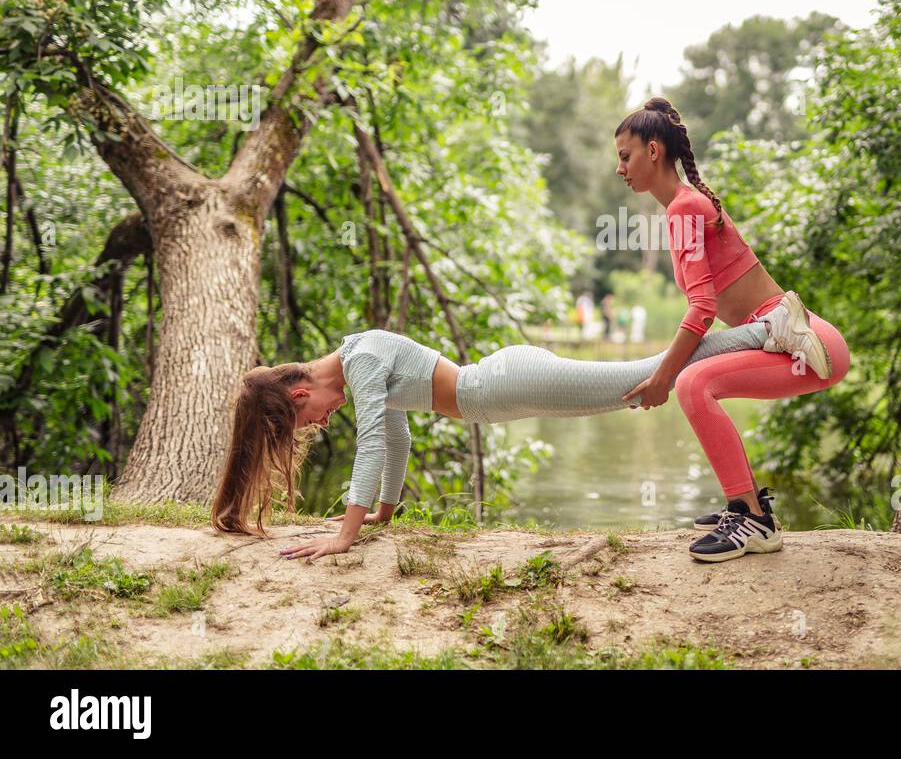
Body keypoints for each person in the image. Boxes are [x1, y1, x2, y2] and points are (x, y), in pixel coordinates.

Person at [209, 292, 828, 559]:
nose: (319, 422)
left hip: (505, 385)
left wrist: (343, 536)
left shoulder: (360, 359)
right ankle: (764, 332)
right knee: (635, 387)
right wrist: (381, 515)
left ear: (298, 392)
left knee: (639, 382)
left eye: (305, 421)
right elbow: (394, 435)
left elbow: (372, 438)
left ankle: (768, 329)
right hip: (502, 389)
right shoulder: (357, 362)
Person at [614, 96, 850, 562]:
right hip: (779, 339)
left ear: (654, 151)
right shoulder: (682, 206)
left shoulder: (684, 208)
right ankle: (745, 504)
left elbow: (701, 308)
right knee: (698, 381)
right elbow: (705, 308)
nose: (620, 168)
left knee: (692, 383)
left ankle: (754, 522)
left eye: (626, 156)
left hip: (806, 346)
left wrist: (663, 376)